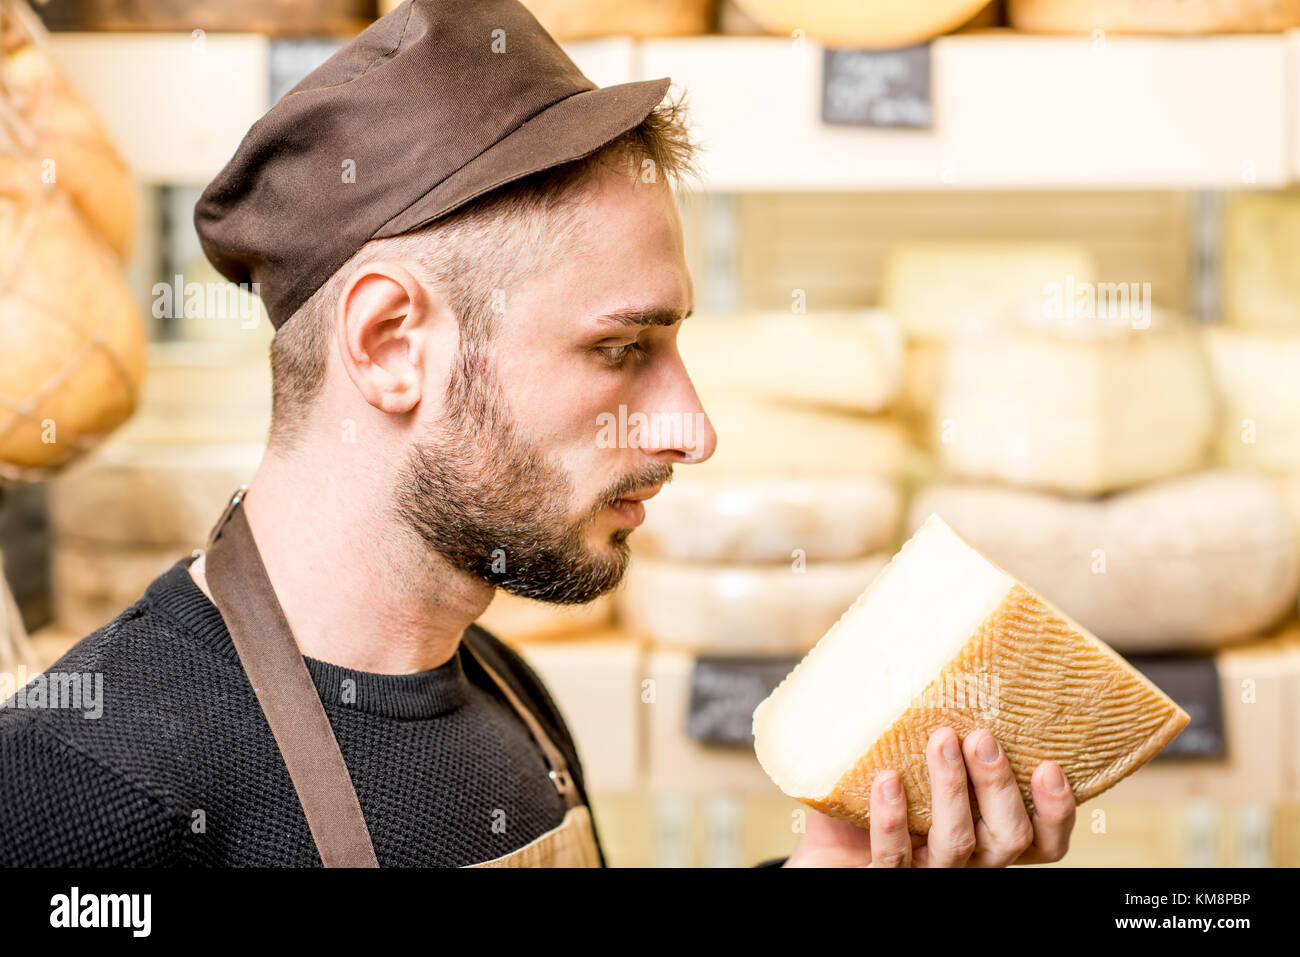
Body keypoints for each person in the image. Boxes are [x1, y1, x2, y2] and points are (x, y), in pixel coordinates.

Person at [0, 0, 1074, 867]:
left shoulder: (504, 688)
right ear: (387, 344)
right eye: (620, 350)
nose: (692, 430)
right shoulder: (80, 787)